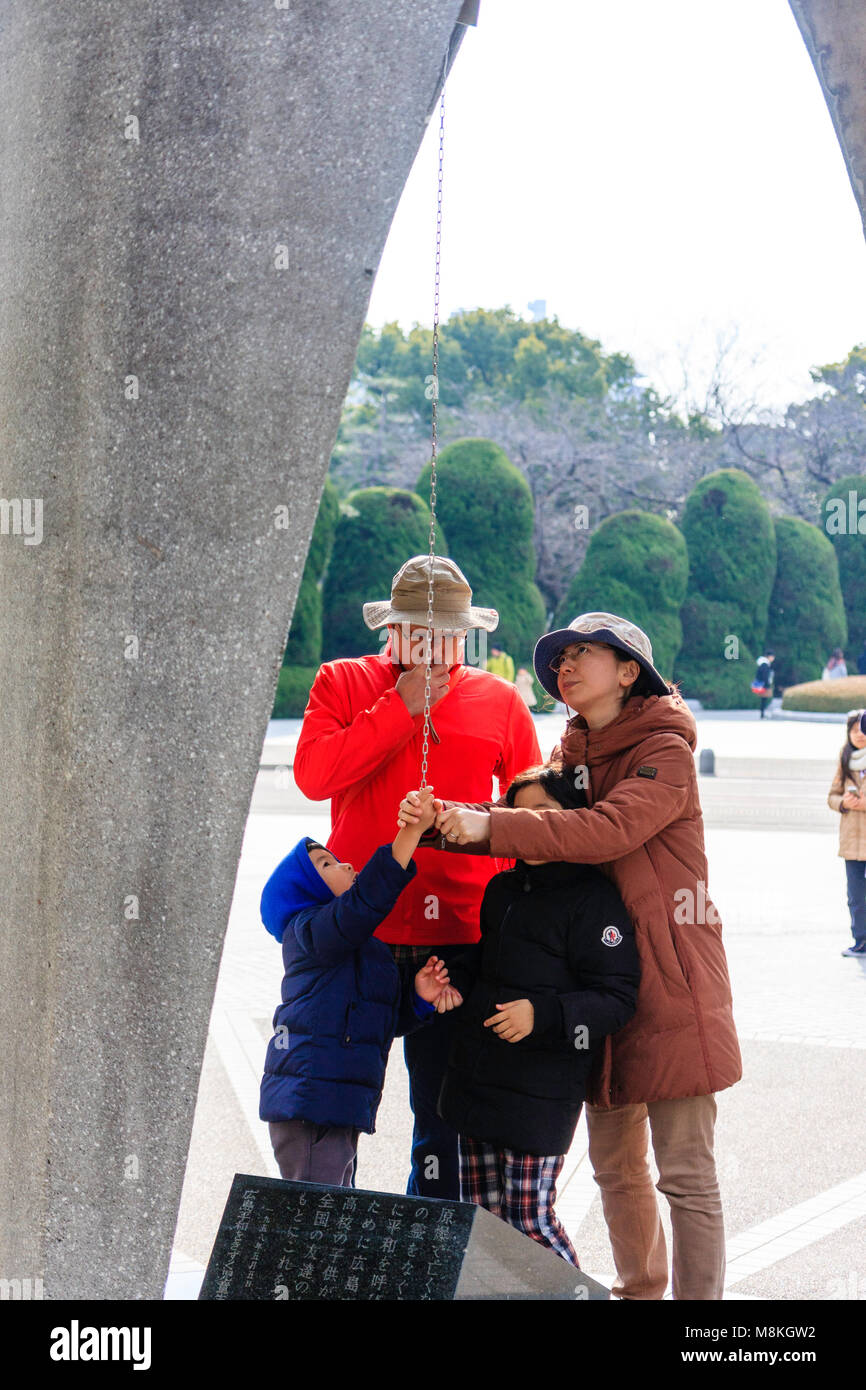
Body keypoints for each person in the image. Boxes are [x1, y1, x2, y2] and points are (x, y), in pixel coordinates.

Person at [400, 611, 742, 1300]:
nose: (565, 665)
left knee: (686, 1175)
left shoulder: (666, 749)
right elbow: (536, 819)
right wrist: (435, 826)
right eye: (560, 657)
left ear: (627, 672)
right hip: (596, 988)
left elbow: (606, 829)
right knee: (616, 1167)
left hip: (671, 986)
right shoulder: (570, 759)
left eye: (584, 653)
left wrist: (490, 824)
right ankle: (639, 1291)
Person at [292, 554, 541, 1200]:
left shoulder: (500, 700)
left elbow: (532, 817)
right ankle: (329, 1257)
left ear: (465, 633)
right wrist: (396, 708)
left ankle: (427, 1265)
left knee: (443, 1123)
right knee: (328, 1111)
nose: (434, 645)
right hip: (357, 935)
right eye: (418, 630)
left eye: (448, 633)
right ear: (391, 629)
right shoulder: (343, 681)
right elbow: (315, 777)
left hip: (458, 938)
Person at [434, 762, 640, 1265]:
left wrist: (543, 1014)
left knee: (529, 1220)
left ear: (574, 817)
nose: (529, 827)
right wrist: (452, 982)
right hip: (477, 1077)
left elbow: (617, 997)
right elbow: (488, 960)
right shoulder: (502, 889)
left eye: (544, 814)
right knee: (481, 1217)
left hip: (542, 1090)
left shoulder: (594, 901)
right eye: (518, 815)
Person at [259, 790, 451, 1184]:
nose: (345, 863)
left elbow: (379, 1022)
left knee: (329, 1213)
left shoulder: (364, 948)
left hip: (339, 1104)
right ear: (307, 891)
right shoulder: (309, 932)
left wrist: (417, 997)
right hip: (309, 1105)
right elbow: (364, 904)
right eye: (326, 863)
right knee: (314, 1216)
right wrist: (409, 835)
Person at [827, 710, 866, 958]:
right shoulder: (845, 759)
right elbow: (831, 796)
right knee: (855, 896)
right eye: (853, 730)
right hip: (852, 841)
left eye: (861, 729)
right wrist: (844, 802)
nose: (858, 735)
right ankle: (860, 941)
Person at [751, 650, 775, 719]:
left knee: (763, 699)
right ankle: (762, 714)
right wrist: (767, 684)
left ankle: (762, 714)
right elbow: (765, 676)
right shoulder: (765, 664)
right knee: (764, 699)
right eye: (772, 657)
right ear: (769, 657)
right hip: (763, 684)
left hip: (762, 684)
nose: (773, 658)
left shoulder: (763, 664)